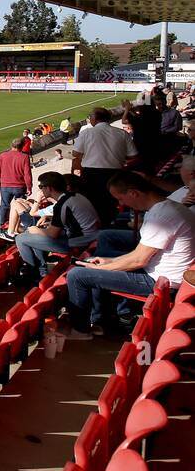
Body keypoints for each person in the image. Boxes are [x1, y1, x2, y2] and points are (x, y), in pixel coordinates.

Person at [65, 171, 195, 338]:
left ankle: (80, 331)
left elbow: (138, 260)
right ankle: (101, 319)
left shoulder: (162, 217)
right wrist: (108, 262)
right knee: (94, 264)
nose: (121, 204)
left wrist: (106, 266)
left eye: (120, 198)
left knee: (77, 275)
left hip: (160, 283)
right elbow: (139, 255)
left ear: (133, 193)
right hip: (161, 275)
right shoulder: (166, 207)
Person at [15, 172, 101, 278]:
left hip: (81, 243)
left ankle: (31, 274)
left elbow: (52, 234)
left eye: (41, 186)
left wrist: (35, 229)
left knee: (20, 238)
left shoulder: (61, 204)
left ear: (50, 188)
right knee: (37, 235)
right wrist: (47, 224)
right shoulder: (74, 196)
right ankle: (42, 271)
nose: (40, 190)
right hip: (91, 237)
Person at [72, 108, 137, 224]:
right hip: (115, 174)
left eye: (90, 116)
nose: (90, 118)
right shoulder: (122, 133)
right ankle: (111, 226)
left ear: (95, 118)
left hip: (91, 175)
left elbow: (76, 153)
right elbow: (133, 155)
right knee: (112, 203)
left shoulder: (86, 132)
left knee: (93, 204)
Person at [0, 137, 33, 233]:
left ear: (12, 145)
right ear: (22, 146)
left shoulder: (3, 156)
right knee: (19, 207)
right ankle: (15, 227)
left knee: (3, 206)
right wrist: (29, 187)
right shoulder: (24, 157)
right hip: (20, 187)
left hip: (5, 186)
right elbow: (27, 174)